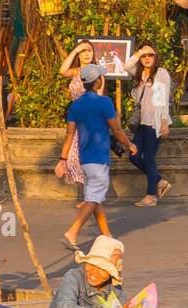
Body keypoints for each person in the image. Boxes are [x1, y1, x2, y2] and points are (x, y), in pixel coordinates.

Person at [55, 64, 137, 248]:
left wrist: (63, 159)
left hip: (84, 158)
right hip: (99, 157)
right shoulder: (104, 102)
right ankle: (72, 232)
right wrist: (130, 144)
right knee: (93, 198)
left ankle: (107, 235)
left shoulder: (76, 105)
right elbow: (116, 130)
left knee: (94, 198)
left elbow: (69, 135)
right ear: (97, 80)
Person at [127, 44, 172, 207]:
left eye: (150, 55)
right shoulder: (139, 73)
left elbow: (163, 100)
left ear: (156, 57)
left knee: (150, 158)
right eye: (144, 56)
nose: (147, 59)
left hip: (154, 123)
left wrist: (164, 122)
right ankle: (160, 182)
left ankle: (151, 195)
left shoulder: (161, 74)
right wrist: (139, 51)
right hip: (141, 123)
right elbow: (127, 65)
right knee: (133, 156)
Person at [57, 40, 96, 187]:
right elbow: (62, 71)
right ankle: (89, 197)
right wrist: (74, 50)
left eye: (89, 50)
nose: (86, 54)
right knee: (74, 157)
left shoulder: (97, 73)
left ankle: (91, 199)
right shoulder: (75, 72)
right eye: (83, 51)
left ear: (94, 54)